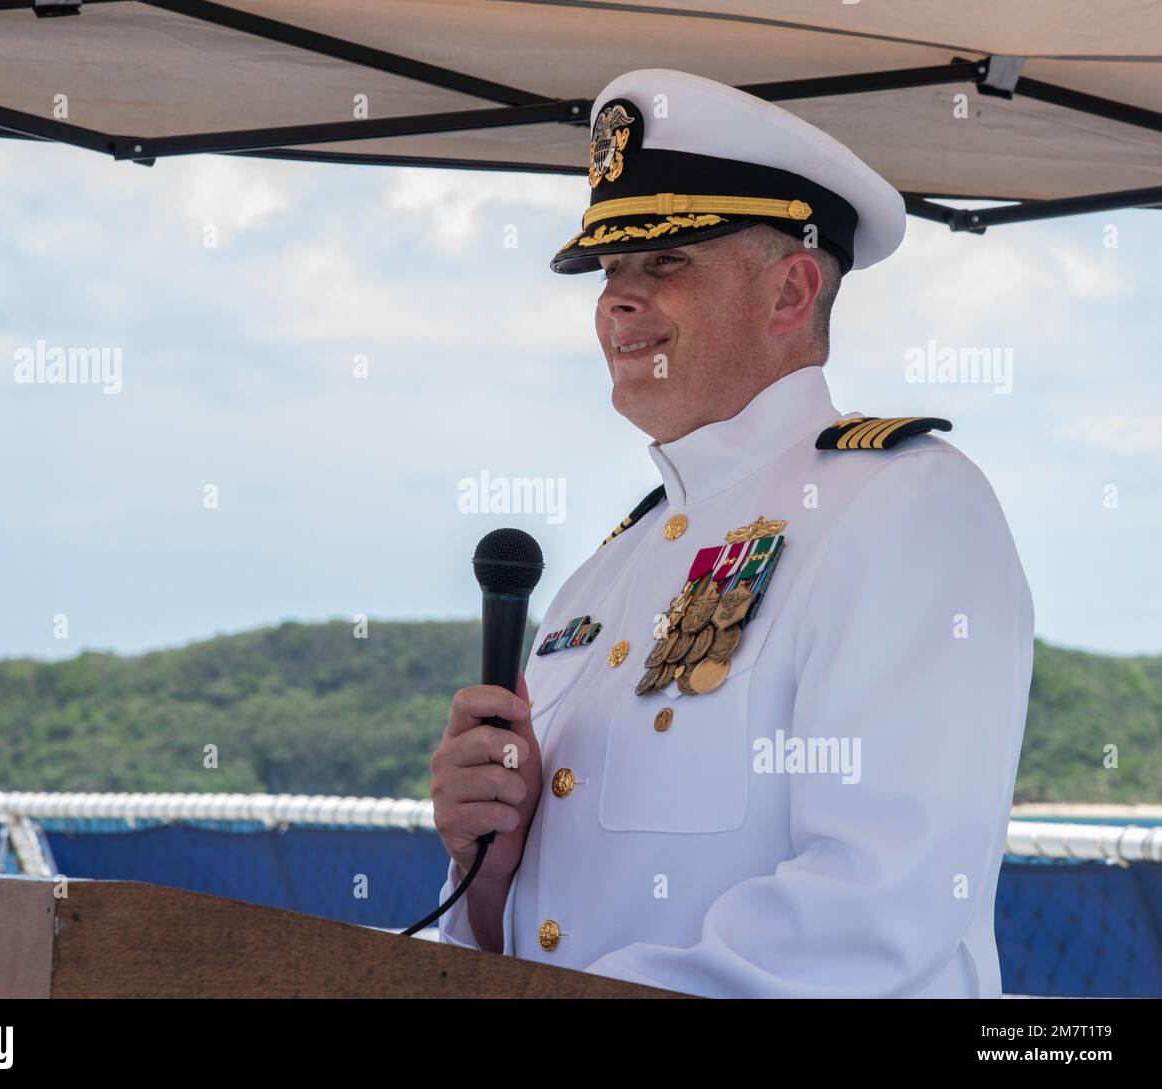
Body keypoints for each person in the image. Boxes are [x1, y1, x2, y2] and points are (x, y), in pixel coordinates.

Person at [428, 68, 1034, 998]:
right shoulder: (605, 573)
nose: (614, 302)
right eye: (608, 270)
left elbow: (876, 912)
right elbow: (530, 938)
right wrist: (491, 876)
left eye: (663, 262)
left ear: (790, 292)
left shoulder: (906, 506)